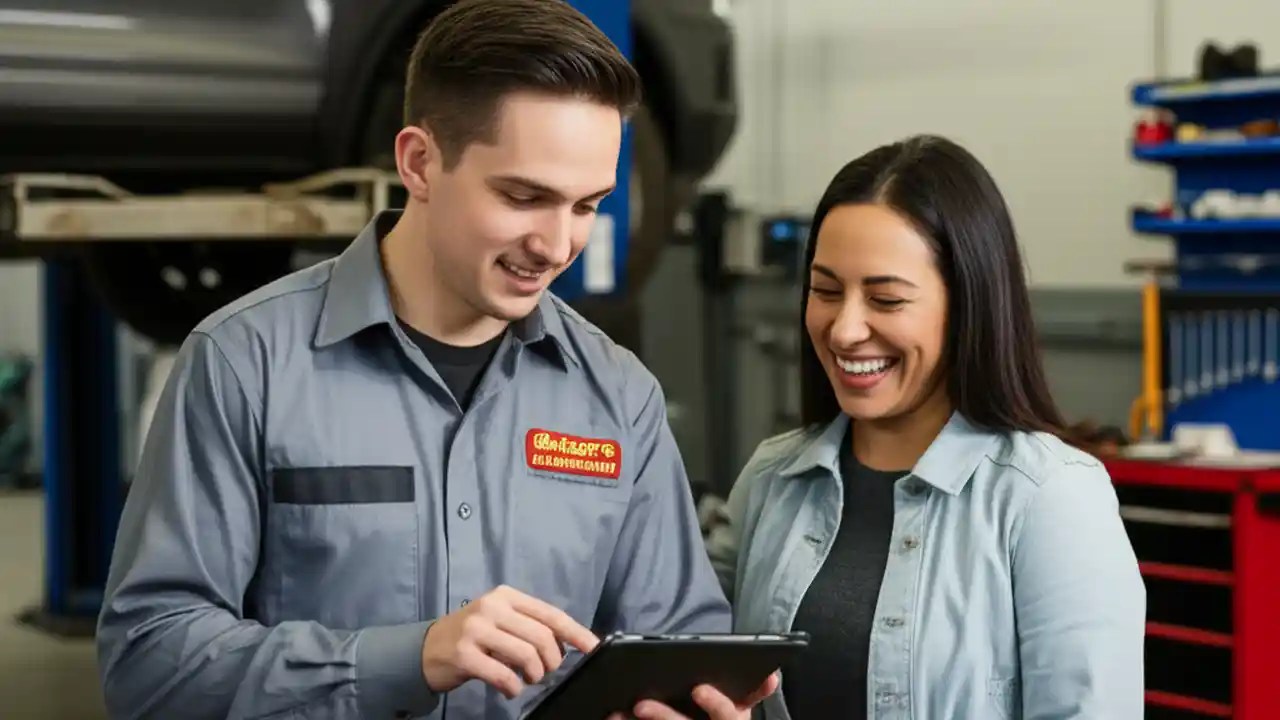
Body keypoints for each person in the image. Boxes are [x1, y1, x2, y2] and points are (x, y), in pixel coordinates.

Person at [96, 1, 776, 718]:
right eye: (524, 196)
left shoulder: (617, 394)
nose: (556, 244)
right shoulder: (245, 365)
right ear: (419, 162)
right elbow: (150, 664)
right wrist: (408, 658)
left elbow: (680, 643)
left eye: (586, 205)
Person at [705, 135, 1146, 719]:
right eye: (826, 291)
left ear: (967, 307)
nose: (843, 330)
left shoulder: (1048, 497)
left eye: (885, 300)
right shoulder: (773, 477)